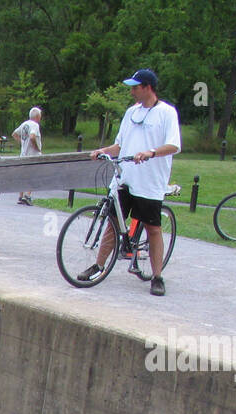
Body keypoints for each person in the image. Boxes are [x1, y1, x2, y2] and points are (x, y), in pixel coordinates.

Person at [84, 68, 181, 296]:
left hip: (149, 181)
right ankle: (98, 266)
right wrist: (102, 150)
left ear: (148, 87)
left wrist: (151, 152)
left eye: (136, 87)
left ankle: (157, 276)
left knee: (153, 228)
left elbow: (174, 145)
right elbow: (120, 145)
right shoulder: (131, 113)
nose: (132, 91)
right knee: (113, 222)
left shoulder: (167, 113)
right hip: (124, 177)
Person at [12, 107, 42, 205]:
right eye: (40, 116)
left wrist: (22, 143)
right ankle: (28, 195)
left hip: (23, 153)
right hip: (33, 154)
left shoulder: (24, 124)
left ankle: (20, 196)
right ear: (37, 116)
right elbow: (32, 136)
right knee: (33, 175)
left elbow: (14, 134)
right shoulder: (35, 125)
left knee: (23, 175)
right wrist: (35, 146)